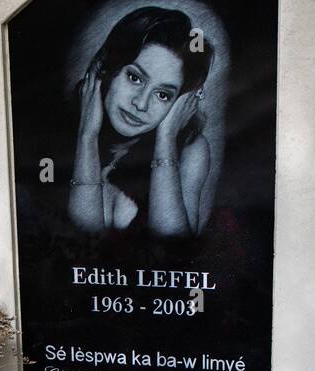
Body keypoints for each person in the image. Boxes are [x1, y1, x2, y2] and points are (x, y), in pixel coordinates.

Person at [69, 5, 216, 238]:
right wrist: (87, 136)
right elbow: (81, 248)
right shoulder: (54, 135)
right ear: (106, 69)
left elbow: (174, 248)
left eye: (163, 94)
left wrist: (166, 137)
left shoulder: (191, 150)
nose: (141, 103)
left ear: (180, 102)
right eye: (135, 77)